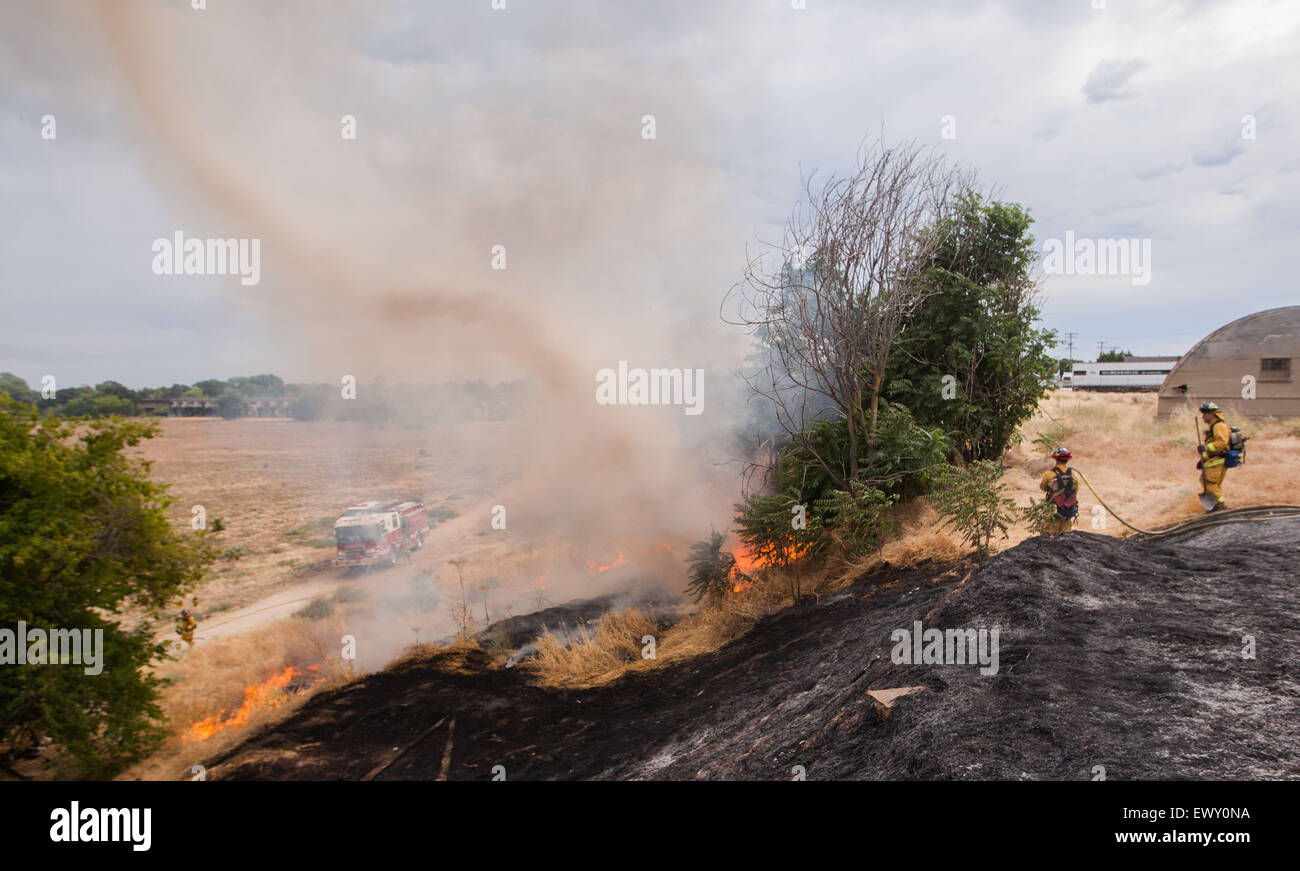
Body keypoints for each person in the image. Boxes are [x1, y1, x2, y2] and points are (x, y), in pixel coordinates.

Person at [1197, 401, 1231, 512]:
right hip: (1214, 459)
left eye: (1205, 414)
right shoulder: (1214, 426)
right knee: (1213, 484)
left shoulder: (1219, 426)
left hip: (1217, 460)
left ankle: (1220, 506)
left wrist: (1206, 448)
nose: (1203, 417)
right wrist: (1203, 459)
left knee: (1209, 482)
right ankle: (1215, 506)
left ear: (1212, 414)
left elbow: (1221, 443)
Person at [1039, 448, 1078, 533]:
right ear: (1067, 460)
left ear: (1056, 459)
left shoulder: (1048, 474)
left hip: (1052, 512)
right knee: (1066, 538)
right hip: (1067, 512)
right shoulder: (1073, 475)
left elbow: (1043, 487)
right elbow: (1076, 490)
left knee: (1047, 538)